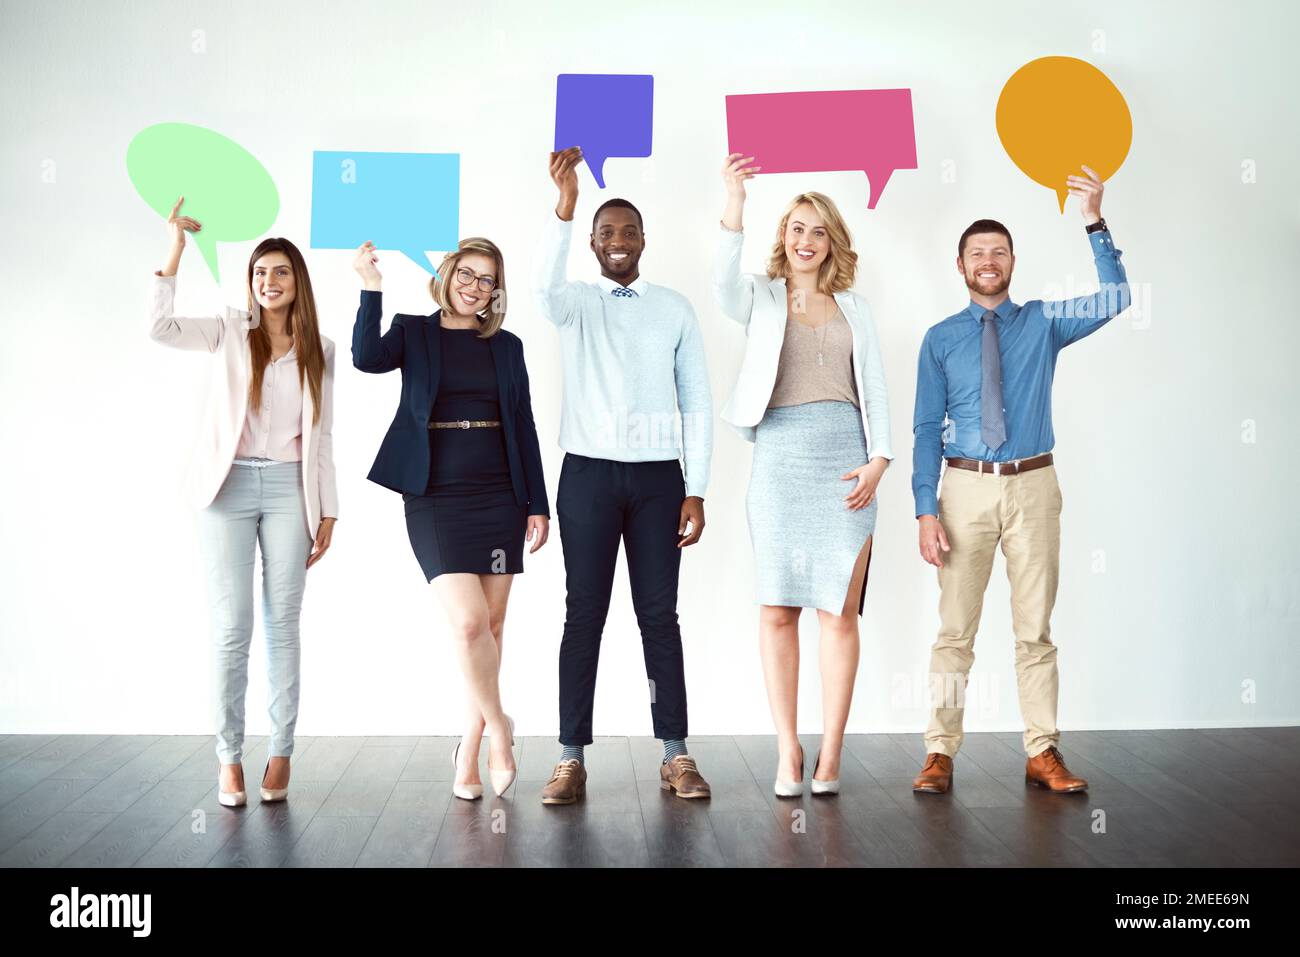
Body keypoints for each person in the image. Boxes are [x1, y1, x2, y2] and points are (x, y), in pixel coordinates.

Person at [911, 165, 1130, 794]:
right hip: (963, 491)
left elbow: (1116, 299)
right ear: (960, 265)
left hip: (1033, 486)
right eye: (977, 252)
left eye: (998, 251)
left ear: (1012, 261)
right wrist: (927, 509)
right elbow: (928, 428)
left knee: (1034, 629)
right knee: (955, 630)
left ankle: (1043, 750)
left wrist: (1094, 220)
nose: (988, 260)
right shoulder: (940, 339)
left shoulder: (1044, 322)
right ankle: (939, 752)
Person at [533, 146, 713, 804]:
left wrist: (698, 486)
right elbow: (539, 292)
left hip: (659, 482)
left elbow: (696, 401)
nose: (617, 240)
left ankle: (676, 752)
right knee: (584, 615)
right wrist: (564, 207)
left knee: (659, 616)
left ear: (643, 240)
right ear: (591, 242)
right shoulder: (576, 302)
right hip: (587, 477)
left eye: (627, 230)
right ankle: (570, 757)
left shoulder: (674, 307)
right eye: (605, 231)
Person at [713, 155, 893, 797]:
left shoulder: (856, 308)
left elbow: (871, 384)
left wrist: (881, 458)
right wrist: (735, 201)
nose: (806, 241)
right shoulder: (760, 296)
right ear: (782, 236)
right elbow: (720, 284)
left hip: (847, 462)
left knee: (840, 615)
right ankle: (788, 749)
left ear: (832, 241)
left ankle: (832, 753)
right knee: (778, 609)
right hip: (781, 459)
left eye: (818, 230)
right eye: (795, 228)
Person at [149, 197, 338, 808]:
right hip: (224, 488)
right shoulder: (229, 331)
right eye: (260, 272)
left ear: (297, 280)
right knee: (232, 628)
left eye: (280, 271)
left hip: (289, 490)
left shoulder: (321, 349)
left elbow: (322, 435)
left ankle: (280, 753)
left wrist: (328, 508)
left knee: (284, 626)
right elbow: (160, 328)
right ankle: (228, 759)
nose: (269, 281)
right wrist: (175, 247)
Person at [352, 237, 549, 800]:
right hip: (435, 495)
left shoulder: (507, 347)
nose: (474, 286)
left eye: (487, 279)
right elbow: (366, 358)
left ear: (495, 292)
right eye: (466, 273)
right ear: (447, 274)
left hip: (499, 495)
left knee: (489, 626)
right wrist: (371, 288)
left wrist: (537, 503)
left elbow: (525, 424)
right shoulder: (414, 333)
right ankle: (501, 733)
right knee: (467, 623)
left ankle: (468, 744)